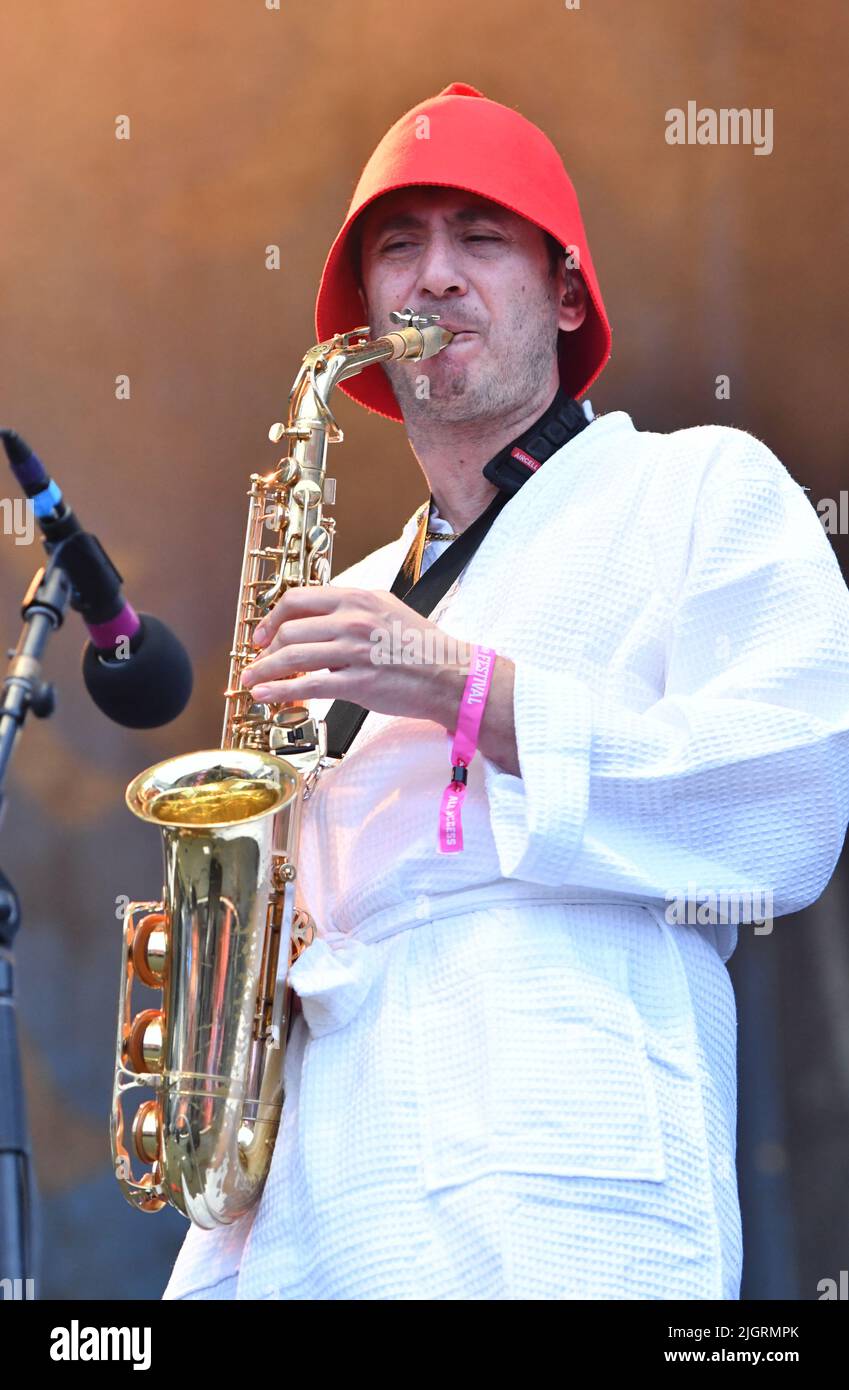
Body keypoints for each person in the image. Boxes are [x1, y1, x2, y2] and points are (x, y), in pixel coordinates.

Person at [162, 82, 849, 1300]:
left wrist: (462, 682)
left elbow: (786, 800)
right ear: (363, 310)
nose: (434, 277)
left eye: (480, 238)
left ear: (568, 291)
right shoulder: (353, 591)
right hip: (324, 1204)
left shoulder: (700, 487)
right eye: (398, 246)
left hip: (564, 1192)